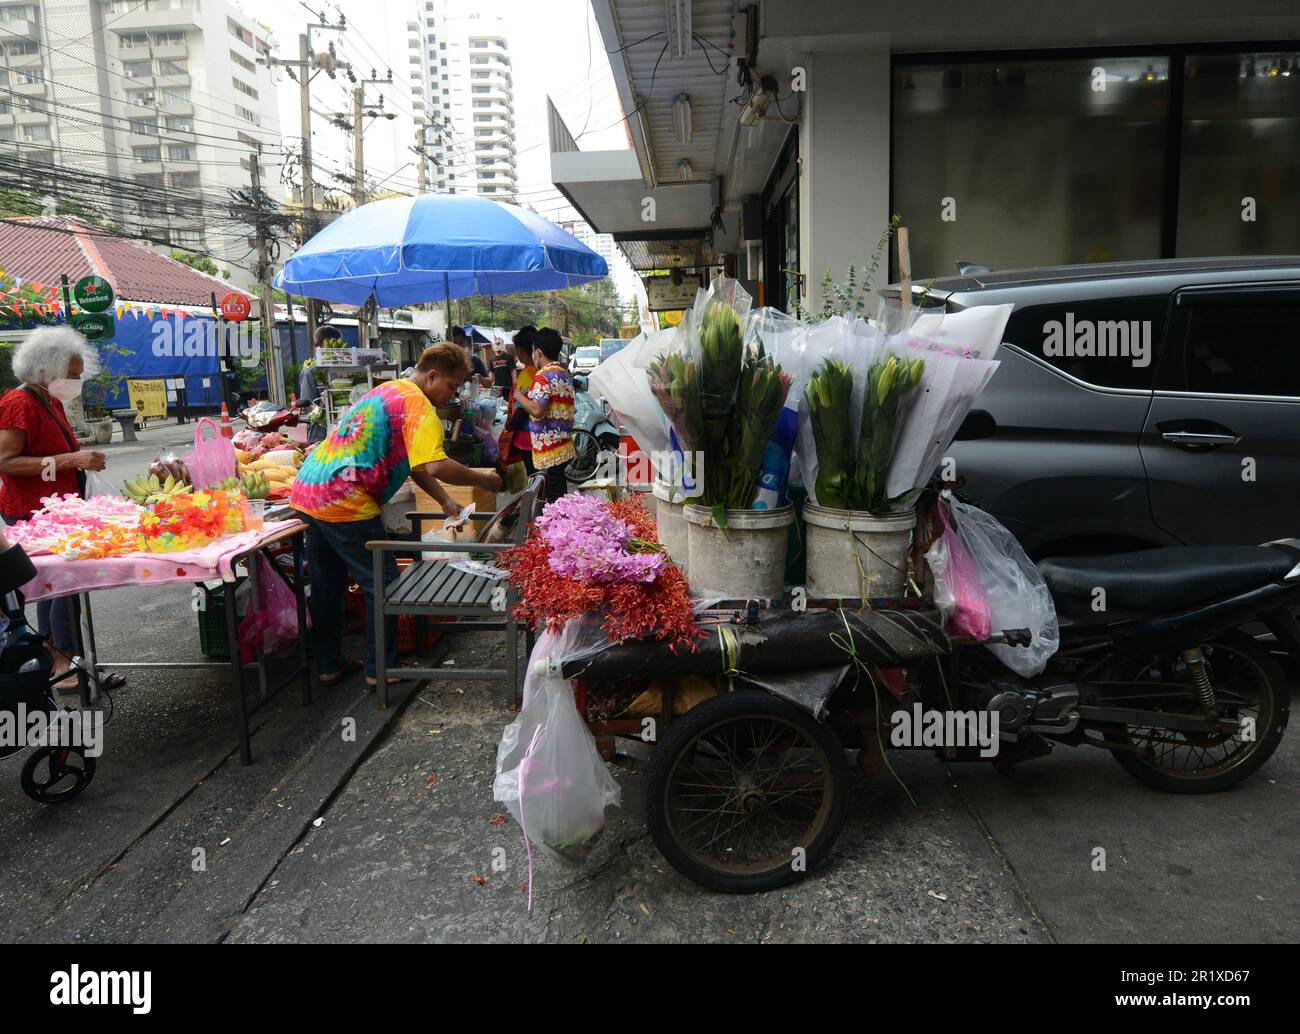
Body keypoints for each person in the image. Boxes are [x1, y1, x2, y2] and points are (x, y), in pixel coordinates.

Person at [290, 342, 504, 688]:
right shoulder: (419, 406)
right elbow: (435, 464)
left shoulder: (389, 390)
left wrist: (447, 504)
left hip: (309, 490)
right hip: (345, 500)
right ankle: (380, 669)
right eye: (451, 387)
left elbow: (417, 466)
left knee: (327, 584)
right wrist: (486, 479)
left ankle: (329, 664)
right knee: (384, 584)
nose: (453, 395)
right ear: (432, 375)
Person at [0, 326, 116, 688]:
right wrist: (70, 461)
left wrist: (75, 462)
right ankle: (63, 662)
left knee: (57, 587)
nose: (76, 382)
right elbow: (5, 461)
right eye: (73, 375)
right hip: (31, 512)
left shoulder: (50, 401)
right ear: (46, 370)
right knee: (60, 585)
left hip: (58, 511)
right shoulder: (18, 403)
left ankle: (59, 658)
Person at [512, 327, 574, 502]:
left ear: (538, 353)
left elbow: (537, 411)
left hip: (549, 452)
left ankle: (558, 528)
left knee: (553, 500)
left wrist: (518, 396)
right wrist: (529, 395)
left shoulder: (542, 377)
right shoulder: (563, 374)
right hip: (564, 447)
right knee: (559, 495)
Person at [500, 326, 536, 472]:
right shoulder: (540, 371)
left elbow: (522, 411)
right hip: (540, 436)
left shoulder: (526, 374)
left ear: (520, 350)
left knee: (534, 479)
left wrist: (508, 428)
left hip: (527, 436)